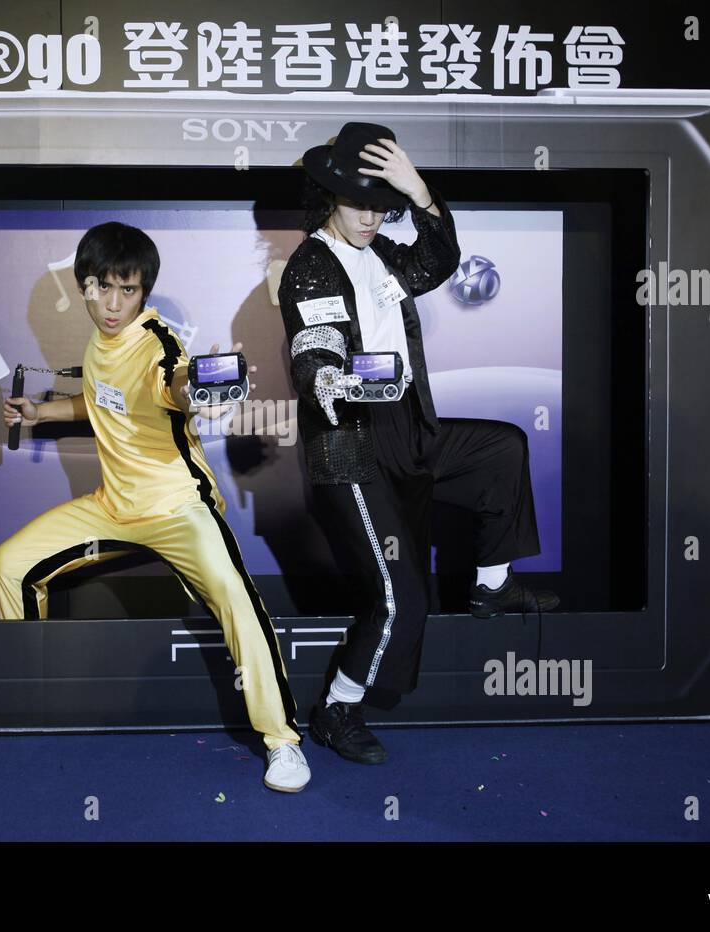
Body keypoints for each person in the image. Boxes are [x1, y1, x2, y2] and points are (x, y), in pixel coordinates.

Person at [0, 222, 309, 792]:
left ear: (144, 294)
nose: (113, 304)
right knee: (10, 564)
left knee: (238, 599)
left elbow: (175, 383)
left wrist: (200, 392)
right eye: (102, 287)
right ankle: (26, 694)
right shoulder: (98, 343)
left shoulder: (158, 342)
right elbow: (102, 401)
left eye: (128, 291)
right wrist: (40, 415)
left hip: (177, 507)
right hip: (111, 505)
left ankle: (282, 741)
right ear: (83, 286)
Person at [278, 122, 558, 765]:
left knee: (502, 449)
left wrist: (422, 195)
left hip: (409, 428)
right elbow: (314, 343)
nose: (373, 216)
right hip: (348, 446)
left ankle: (491, 585)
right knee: (404, 596)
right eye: (359, 203)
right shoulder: (309, 263)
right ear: (327, 200)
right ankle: (336, 709)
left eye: (383, 204)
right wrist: (325, 379)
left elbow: (438, 262)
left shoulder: (379, 254)